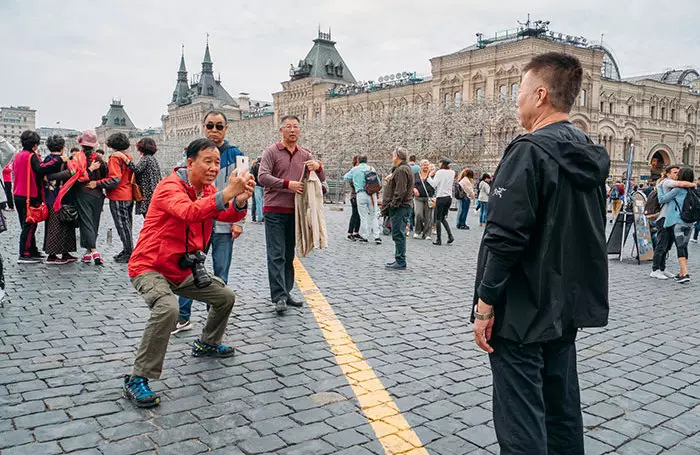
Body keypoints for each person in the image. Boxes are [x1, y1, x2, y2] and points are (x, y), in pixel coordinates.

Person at [472, 52, 610, 455]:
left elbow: (504, 236)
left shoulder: (528, 151)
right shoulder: (586, 151)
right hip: (564, 306)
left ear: (541, 94)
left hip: (521, 308)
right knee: (561, 409)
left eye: (521, 91)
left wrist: (485, 304)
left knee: (521, 418)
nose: (517, 101)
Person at [123, 138, 253, 408]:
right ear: (189, 162)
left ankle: (207, 342)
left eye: (217, 163)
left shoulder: (205, 190)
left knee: (224, 296)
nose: (214, 168)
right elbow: (189, 213)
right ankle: (137, 377)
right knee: (167, 309)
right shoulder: (170, 186)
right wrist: (227, 193)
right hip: (150, 267)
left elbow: (225, 215)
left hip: (182, 268)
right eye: (208, 161)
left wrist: (239, 201)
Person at [174, 111, 245, 333]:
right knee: (189, 270)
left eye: (219, 126)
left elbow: (243, 189)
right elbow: (179, 179)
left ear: (226, 129)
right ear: (203, 127)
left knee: (220, 273)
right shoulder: (192, 152)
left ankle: (213, 317)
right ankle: (183, 317)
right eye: (210, 125)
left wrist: (239, 221)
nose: (214, 130)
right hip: (198, 223)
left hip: (224, 222)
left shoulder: (236, 155)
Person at [259, 115, 324, 315]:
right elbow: (262, 177)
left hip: (295, 211)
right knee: (276, 254)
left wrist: (318, 167)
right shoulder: (271, 151)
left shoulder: (305, 154)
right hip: (274, 210)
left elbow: (320, 178)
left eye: (296, 127)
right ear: (281, 131)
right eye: (288, 127)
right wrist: (288, 184)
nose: (292, 130)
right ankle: (278, 296)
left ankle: (286, 293)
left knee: (289, 255)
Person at [12, 130, 65, 263]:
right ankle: (24, 253)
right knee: (29, 225)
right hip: (29, 194)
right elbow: (41, 168)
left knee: (28, 224)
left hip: (18, 193)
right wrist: (58, 159)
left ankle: (32, 250)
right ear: (35, 145)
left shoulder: (18, 155)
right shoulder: (31, 156)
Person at [92, 133, 135, 263]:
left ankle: (129, 252)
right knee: (127, 225)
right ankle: (127, 249)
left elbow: (115, 179)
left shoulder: (114, 158)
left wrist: (97, 183)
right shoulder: (127, 156)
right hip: (128, 194)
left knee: (122, 226)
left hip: (119, 195)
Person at [649, 165, 695, 280]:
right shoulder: (667, 182)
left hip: (673, 220)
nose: (677, 174)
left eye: (679, 173)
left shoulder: (677, 186)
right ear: (668, 174)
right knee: (662, 244)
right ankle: (656, 269)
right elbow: (662, 199)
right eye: (675, 172)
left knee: (667, 246)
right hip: (665, 219)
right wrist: (693, 184)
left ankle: (663, 268)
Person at [74, 130, 109, 265]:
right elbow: (106, 174)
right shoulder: (99, 159)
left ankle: (94, 251)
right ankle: (88, 253)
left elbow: (75, 176)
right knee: (94, 222)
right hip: (98, 195)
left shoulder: (78, 158)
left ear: (81, 145)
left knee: (86, 222)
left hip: (83, 193)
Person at [43, 135, 78, 264]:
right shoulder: (63, 160)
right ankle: (52, 255)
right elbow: (70, 174)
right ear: (63, 147)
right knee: (57, 227)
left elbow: (43, 175)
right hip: (61, 197)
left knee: (60, 225)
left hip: (50, 196)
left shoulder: (47, 159)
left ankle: (65, 253)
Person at [381, 148, 413, 270]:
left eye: (393, 155)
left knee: (398, 233)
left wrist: (393, 204)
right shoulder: (403, 169)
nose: (392, 157)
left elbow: (400, 190)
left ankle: (400, 260)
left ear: (397, 156)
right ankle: (398, 258)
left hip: (400, 206)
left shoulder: (401, 170)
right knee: (398, 233)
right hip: (401, 205)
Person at [113, 137, 162, 218]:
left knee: (148, 218)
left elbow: (137, 169)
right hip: (153, 192)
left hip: (147, 193)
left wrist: (124, 158)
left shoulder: (146, 158)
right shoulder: (153, 159)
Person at [344, 155, 382, 244]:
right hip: (371, 194)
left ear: (359, 161)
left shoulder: (355, 169)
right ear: (366, 160)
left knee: (363, 216)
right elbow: (378, 182)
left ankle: (365, 236)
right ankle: (377, 237)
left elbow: (345, 177)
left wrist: (355, 179)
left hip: (360, 194)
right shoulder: (372, 169)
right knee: (373, 216)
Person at [429, 157, 455, 245]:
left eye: (439, 162)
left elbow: (434, 184)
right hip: (449, 197)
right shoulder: (452, 172)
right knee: (443, 218)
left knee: (438, 218)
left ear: (442, 163)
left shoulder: (440, 172)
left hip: (441, 197)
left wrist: (429, 176)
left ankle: (439, 239)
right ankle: (450, 235)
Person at [412, 159, 435, 240]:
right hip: (418, 198)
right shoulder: (416, 175)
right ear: (420, 166)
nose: (426, 166)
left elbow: (436, 185)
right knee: (418, 214)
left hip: (429, 198)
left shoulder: (432, 175)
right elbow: (411, 184)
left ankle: (427, 233)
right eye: (424, 165)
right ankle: (418, 231)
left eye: (427, 164)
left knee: (428, 217)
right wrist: (414, 189)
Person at [345, 155, 361, 241]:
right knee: (354, 214)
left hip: (360, 195)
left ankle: (356, 232)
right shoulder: (353, 171)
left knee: (359, 215)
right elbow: (352, 182)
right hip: (354, 196)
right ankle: (350, 232)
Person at [250, 157, 264, 223]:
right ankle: (262, 217)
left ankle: (257, 217)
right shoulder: (264, 166)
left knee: (257, 202)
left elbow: (251, 175)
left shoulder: (254, 166)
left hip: (256, 186)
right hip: (264, 186)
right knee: (262, 202)